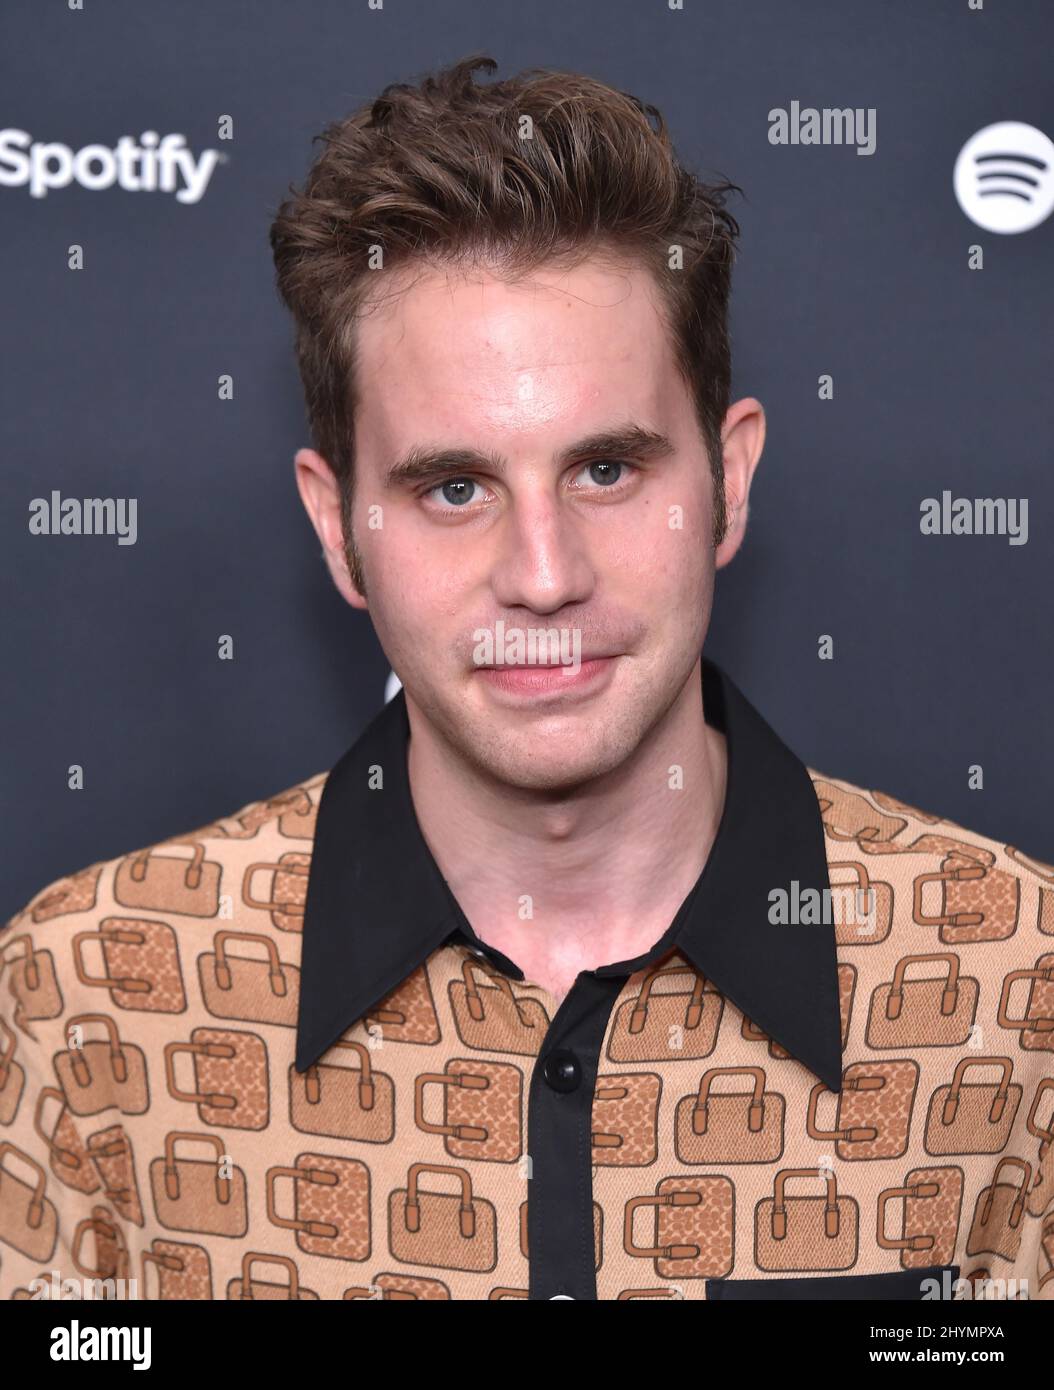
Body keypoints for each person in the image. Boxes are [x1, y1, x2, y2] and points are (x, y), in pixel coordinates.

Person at [2, 53, 1051, 1303]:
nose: (543, 576)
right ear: (338, 531)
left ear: (730, 480)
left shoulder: (1014, 987)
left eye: (606, 470)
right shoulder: (87, 1005)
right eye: (453, 488)